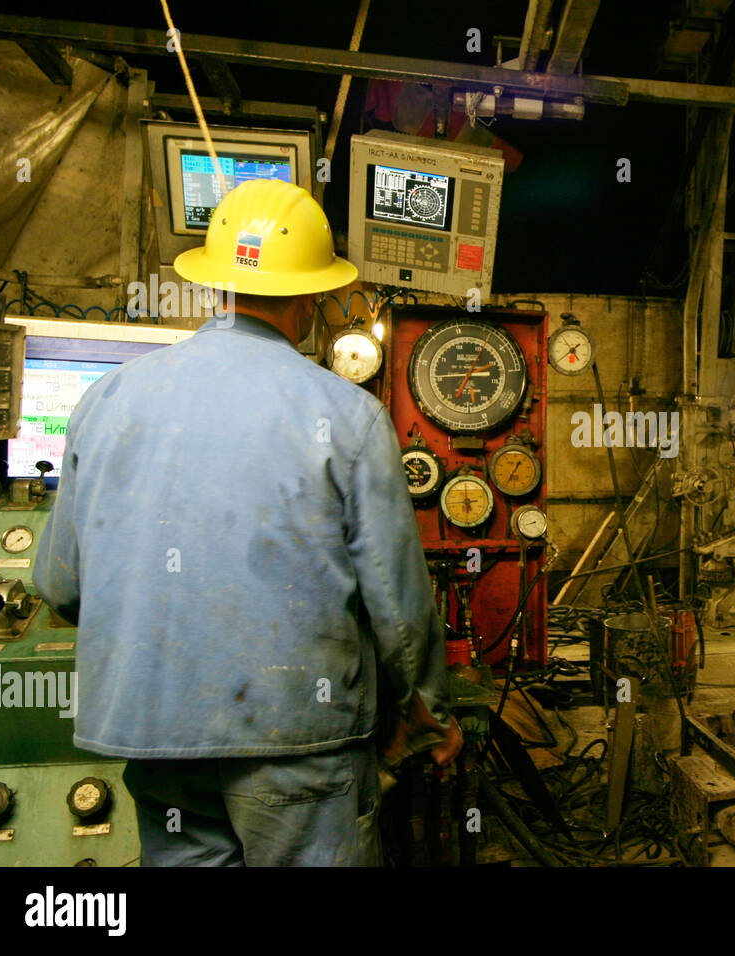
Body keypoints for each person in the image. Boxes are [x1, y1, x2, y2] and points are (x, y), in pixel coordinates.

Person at [33, 177, 460, 866]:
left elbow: (60, 585)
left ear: (214, 284)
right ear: (313, 298)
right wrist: (429, 708)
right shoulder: (348, 416)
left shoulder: (106, 397)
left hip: (156, 737)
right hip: (299, 744)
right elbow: (398, 607)